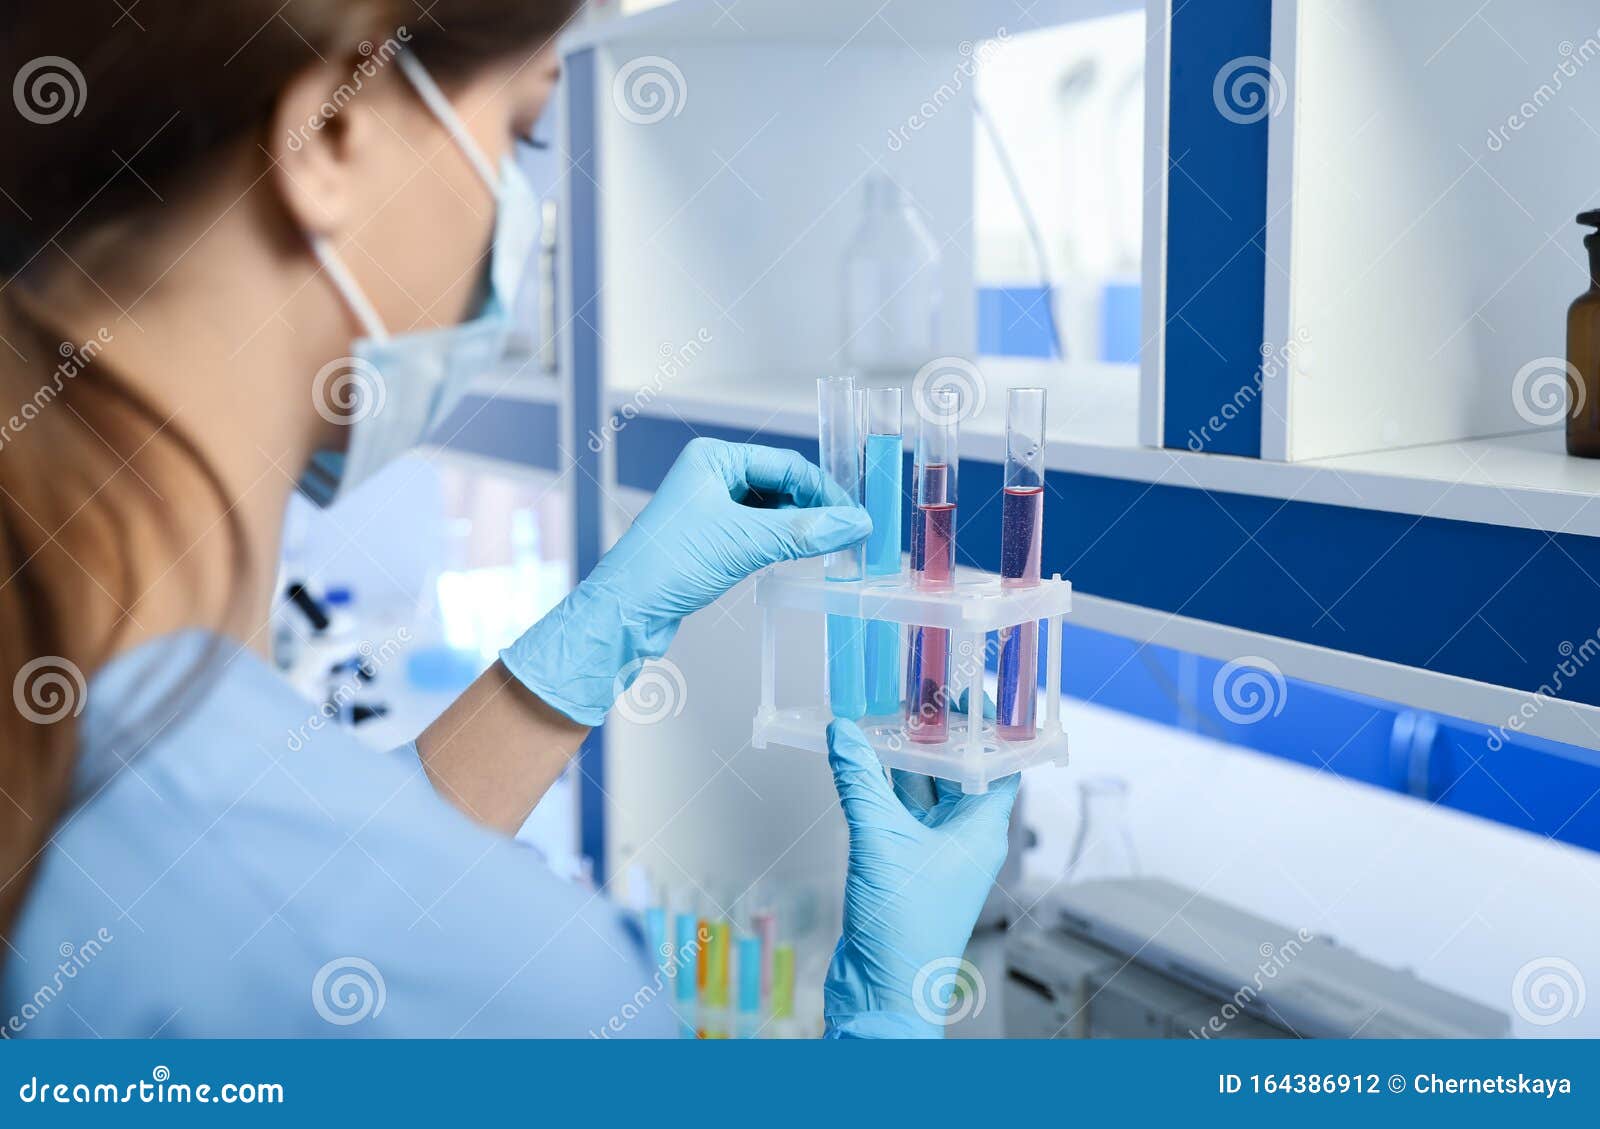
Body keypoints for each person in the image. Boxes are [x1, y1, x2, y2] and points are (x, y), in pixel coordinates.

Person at [0, 1, 1017, 1037]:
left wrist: (589, 639)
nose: (514, 214)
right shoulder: (531, 994)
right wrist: (884, 1024)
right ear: (330, 137)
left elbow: (308, 881)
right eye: (521, 133)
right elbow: (354, 924)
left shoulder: (80, 705)